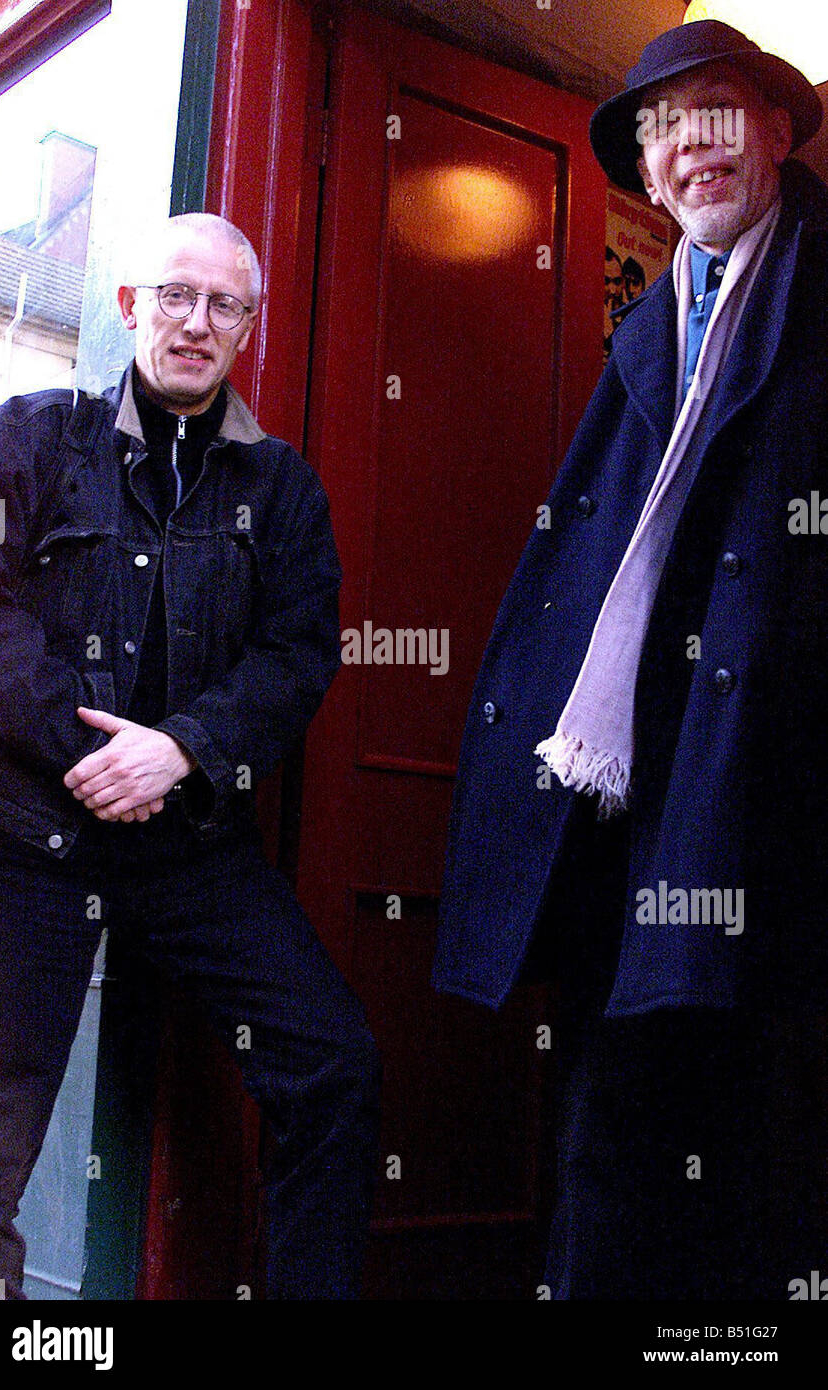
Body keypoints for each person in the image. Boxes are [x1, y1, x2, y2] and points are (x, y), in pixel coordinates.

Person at [434, 19, 828, 1299]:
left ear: (777, 131)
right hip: (635, 782)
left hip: (772, 773)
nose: (686, 144)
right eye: (661, 129)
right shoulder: (649, 327)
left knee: (767, 1104)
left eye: (715, 111)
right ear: (649, 180)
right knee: (617, 1098)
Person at [0, 212, 380, 1301]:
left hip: (190, 848)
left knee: (332, 1063)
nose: (196, 323)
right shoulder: (29, 438)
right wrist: (93, 757)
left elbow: (297, 657)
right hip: (23, 837)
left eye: (223, 305)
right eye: (175, 297)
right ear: (129, 307)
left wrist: (184, 751)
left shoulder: (282, 490)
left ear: (248, 325)